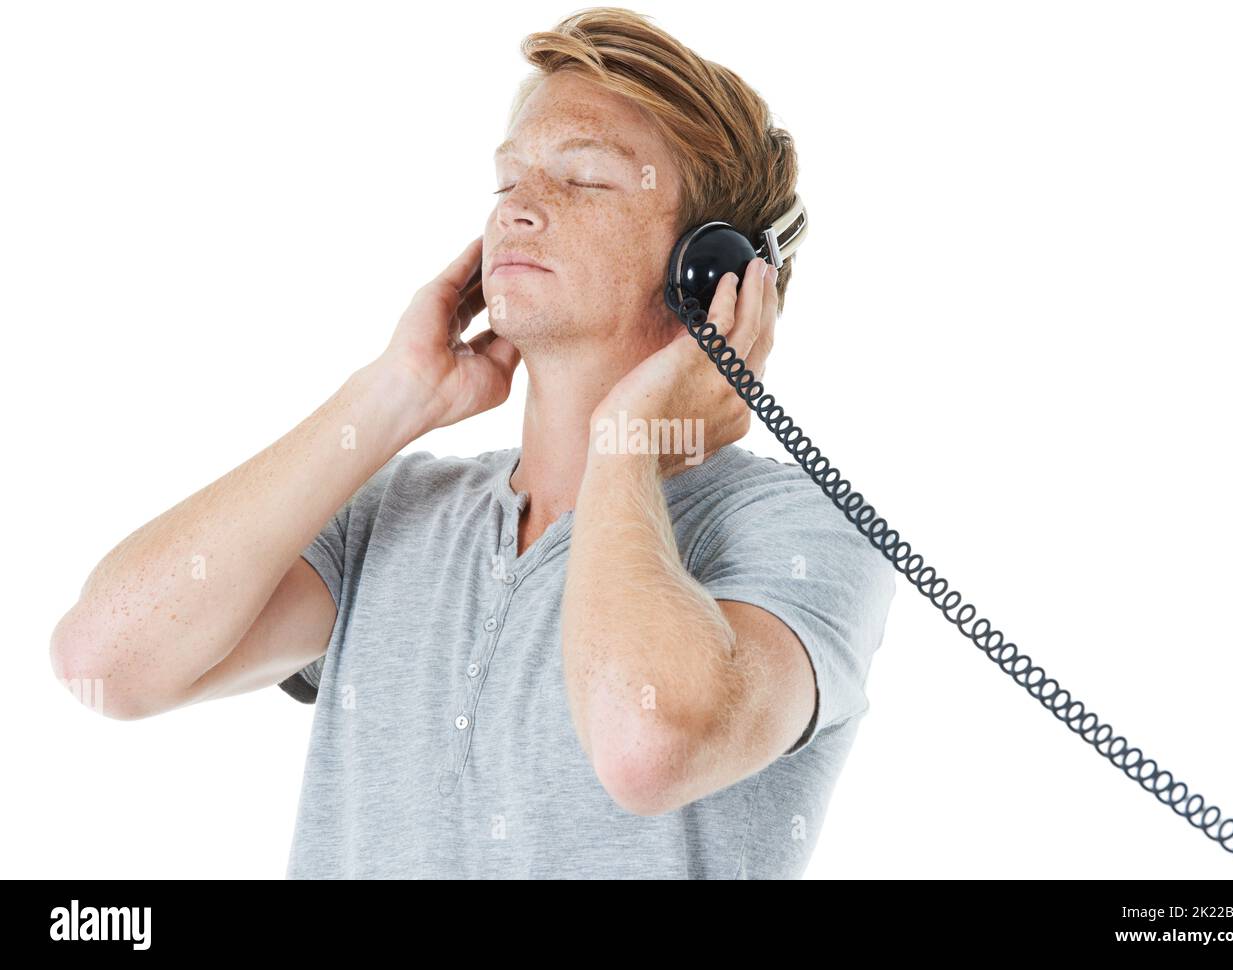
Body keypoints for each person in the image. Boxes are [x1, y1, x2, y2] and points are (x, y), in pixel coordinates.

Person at [49, 7, 896, 879]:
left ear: (709, 273)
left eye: (584, 180)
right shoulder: (395, 511)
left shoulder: (805, 532)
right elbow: (103, 663)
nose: (521, 209)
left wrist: (630, 441)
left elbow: (647, 747)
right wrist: (391, 396)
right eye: (507, 182)